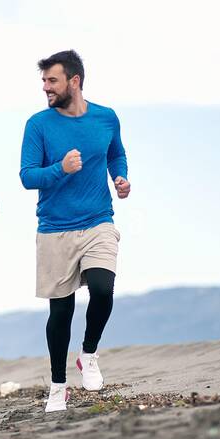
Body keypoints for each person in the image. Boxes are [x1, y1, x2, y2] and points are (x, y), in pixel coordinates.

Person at [18, 51, 130, 414]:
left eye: (52, 81)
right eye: (44, 82)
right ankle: (58, 386)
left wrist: (120, 177)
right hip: (55, 228)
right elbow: (27, 176)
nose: (46, 88)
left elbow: (115, 154)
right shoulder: (38, 125)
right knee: (61, 311)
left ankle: (89, 354)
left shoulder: (106, 117)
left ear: (74, 81)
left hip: (98, 220)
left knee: (102, 288)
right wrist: (61, 169)